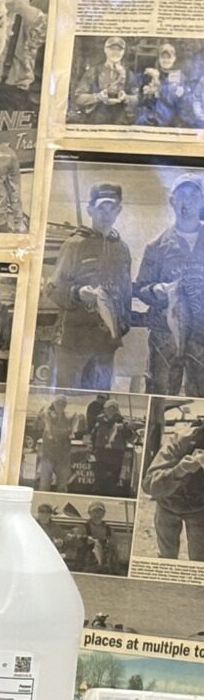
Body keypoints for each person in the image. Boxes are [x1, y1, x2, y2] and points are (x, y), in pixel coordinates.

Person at [134, 177, 204, 398]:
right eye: (181, 196)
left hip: (202, 337)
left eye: (194, 196)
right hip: (164, 337)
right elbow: (140, 288)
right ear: (172, 201)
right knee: (159, 398)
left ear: (203, 201)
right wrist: (155, 291)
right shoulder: (156, 246)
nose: (187, 202)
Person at [144, 412, 204, 558]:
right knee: (167, 557)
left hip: (199, 509)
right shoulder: (180, 441)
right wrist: (179, 470)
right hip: (168, 505)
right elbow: (149, 484)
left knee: (200, 560)